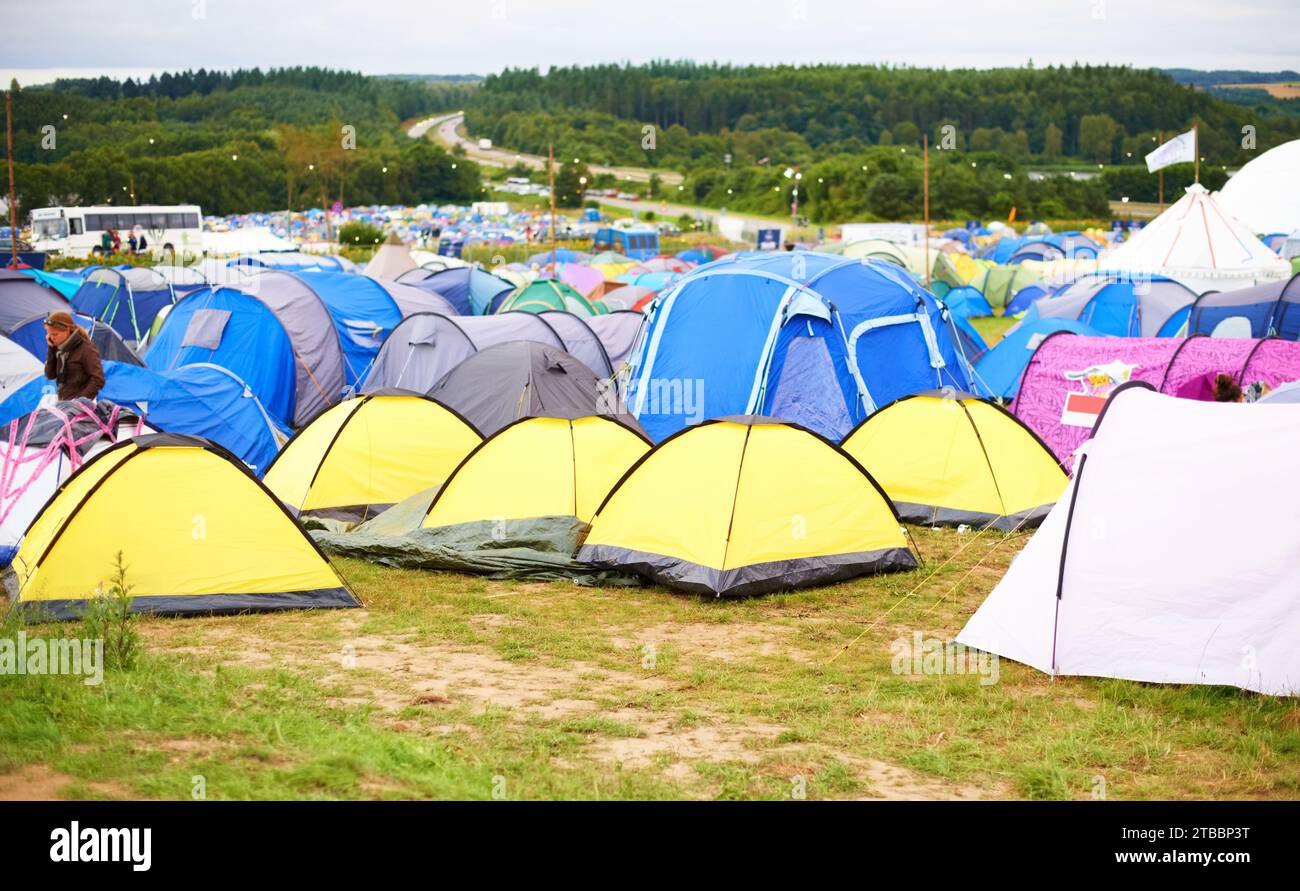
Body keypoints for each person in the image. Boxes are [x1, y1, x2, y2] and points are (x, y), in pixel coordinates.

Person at [43, 312, 105, 401]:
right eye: (49, 334)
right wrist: (51, 348)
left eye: (55, 334)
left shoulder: (86, 349)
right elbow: (50, 375)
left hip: (81, 405)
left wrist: (80, 401)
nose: (51, 338)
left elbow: (98, 379)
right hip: (64, 401)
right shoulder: (59, 348)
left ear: (67, 330)